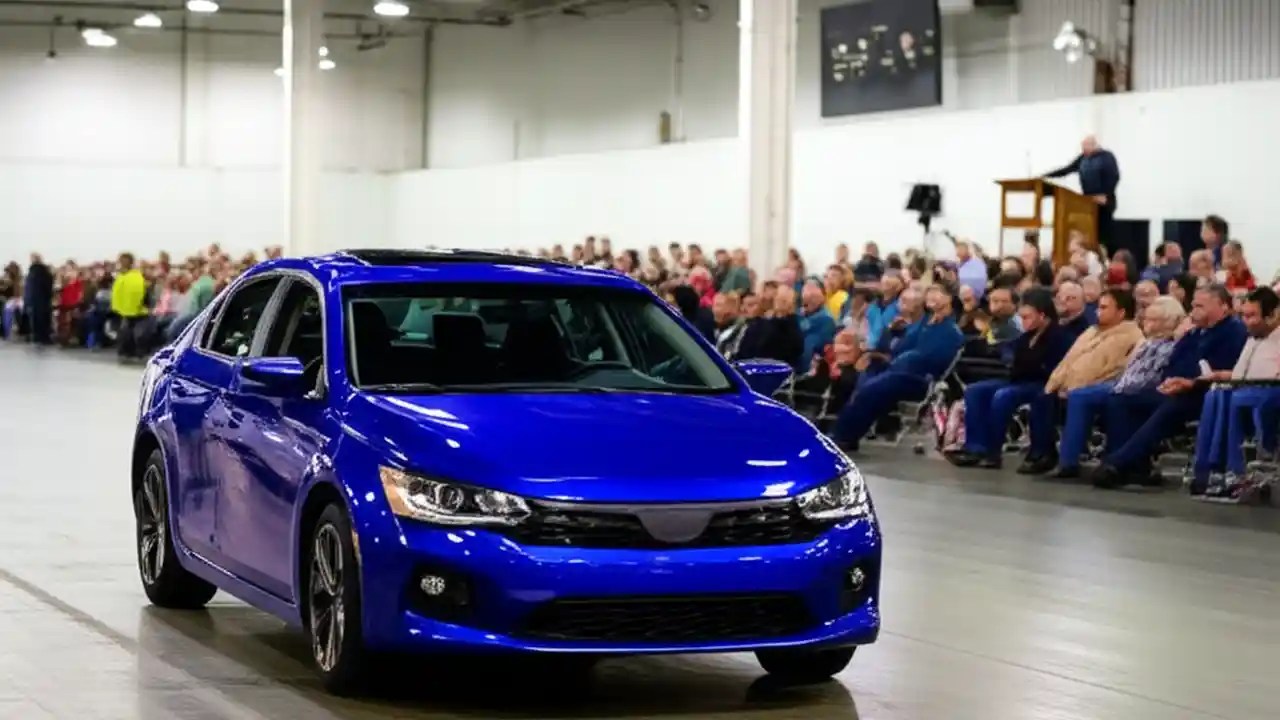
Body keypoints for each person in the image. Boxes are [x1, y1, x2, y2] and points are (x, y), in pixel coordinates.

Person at [1092, 285, 1248, 489]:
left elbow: (1224, 369)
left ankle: (1117, 462)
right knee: (1121, 399)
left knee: (1171, 408)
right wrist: (1171, 380)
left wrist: (1189, 382)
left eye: (1200, 306)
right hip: (1177, 387)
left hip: (1205, 393)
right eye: (1193, 305)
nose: (1194, 310)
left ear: (1223, 307)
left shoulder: (1233, 332)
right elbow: (1174, 361)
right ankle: (1135, 468)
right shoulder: (1194, 333)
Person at [1050, 296, 1186, 478]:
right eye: (1146, 318)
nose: (1146, 323)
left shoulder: (1166, 345)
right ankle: (1068, 460)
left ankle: (1110, 461)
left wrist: (1119, 386)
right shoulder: (1146, 342)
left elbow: (1143, 375)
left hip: (1139, 386)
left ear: (1168, 323)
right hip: (1124, 382)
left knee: (1108, 397)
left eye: (1153, 320)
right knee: (1078, 395)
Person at [1022, 290, 1144, 474]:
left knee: (1078, 397)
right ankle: (1043, 454)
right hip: (1069, 383)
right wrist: (1055, 383)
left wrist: (1077, 386)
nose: (1097, 312)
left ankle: (1068, 462)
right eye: (1098, 307)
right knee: (1042, 397)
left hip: (1099, 387)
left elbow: (1117, 370)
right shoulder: (1091, 331)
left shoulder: (1132, 336)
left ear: (1121, 312)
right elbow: (1067, 360)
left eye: (1104, 307)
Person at [832, 284, 964, 452]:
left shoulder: (950, 331)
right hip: (898, 372)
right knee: (868, 380)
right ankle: (845, 435)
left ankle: (843, 435)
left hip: (922, 379)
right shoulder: (925, 324)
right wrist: (892, 332)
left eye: (937, 293)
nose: (931, 296)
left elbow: (936, 360)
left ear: (949, 300)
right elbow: (895, 350)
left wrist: (906, 359)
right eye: (929, 292)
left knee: (880, 384)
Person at [946, 289, 1068, 469]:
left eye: (1027, 317)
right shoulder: (1026, 336)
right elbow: (1008, 351)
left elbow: (1049, 368)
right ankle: (975, 447)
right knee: (975, 391)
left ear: (1042, 316)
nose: (1023, 321)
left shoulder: (1059, 337)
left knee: (1003, 396)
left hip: (1041, 384)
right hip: (1018, 380)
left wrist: (1018, 361)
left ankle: (992, 452)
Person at [1190, 287, 1280, 499]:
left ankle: (1234, 471)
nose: (1246, 322)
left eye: (1252, 316)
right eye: (1243, 316)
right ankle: (1207, 471)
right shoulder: (1252, 339)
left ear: (1273, 315)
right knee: (1215, 394)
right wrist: (1220, 375)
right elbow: (1241, 374)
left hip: (1268, 391)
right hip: (1246, 387)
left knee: (1234, 397)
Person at [1045, 134, 1121, 254]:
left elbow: (1114, 176)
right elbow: (1066, 169)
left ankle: (1105, 258)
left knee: (1104, 235)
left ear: (1093, 145)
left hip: (1104, 201)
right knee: (1089, 234)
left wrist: (1105, 194)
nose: (1083, 150)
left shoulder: (1107, 157)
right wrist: (1046, 176)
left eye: (1085, 147)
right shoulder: (1083, 158)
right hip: (1088, 202)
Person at [111, 252, 149, 361]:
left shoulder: (137, 276)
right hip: (123, 311)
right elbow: (116, 293)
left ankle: (139, 353)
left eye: (125, 261)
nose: (123, 263)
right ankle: (125, 353)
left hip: (138, 311)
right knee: (124, 333)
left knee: (138, 334)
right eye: (121, 261)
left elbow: (142, 292)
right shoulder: (120, 277)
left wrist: (140, 305)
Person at [799, 280, 838, 372]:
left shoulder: (826, 320)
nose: (809, 300)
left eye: (813, 297)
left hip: (811, 368)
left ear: (823, 298)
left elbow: (811, 346)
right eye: (806, 297)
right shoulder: (798, 315)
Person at [865, 273, 904, 350]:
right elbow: (868, 326)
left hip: (888, 348)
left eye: (888, 284)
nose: (885, 286)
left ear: (898, 288)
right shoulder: (872, 306)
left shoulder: (900, 307)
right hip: (869, 345)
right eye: (883, 283)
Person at [23, 253, 54, 346]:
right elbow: (48, 285)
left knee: (36, 319)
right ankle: (43, 337)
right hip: (42, 299)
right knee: (43, 319)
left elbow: (28, 288)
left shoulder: (32, 272)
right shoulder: (44, 272)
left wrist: (27, 300)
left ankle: (38, 337)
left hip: (34, 299)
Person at [712, 291, 746, 357]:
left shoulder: (741, 330)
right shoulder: (714, 327)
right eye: (713, 305)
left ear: (732, 308)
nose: (714, 309)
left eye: (719, 305)